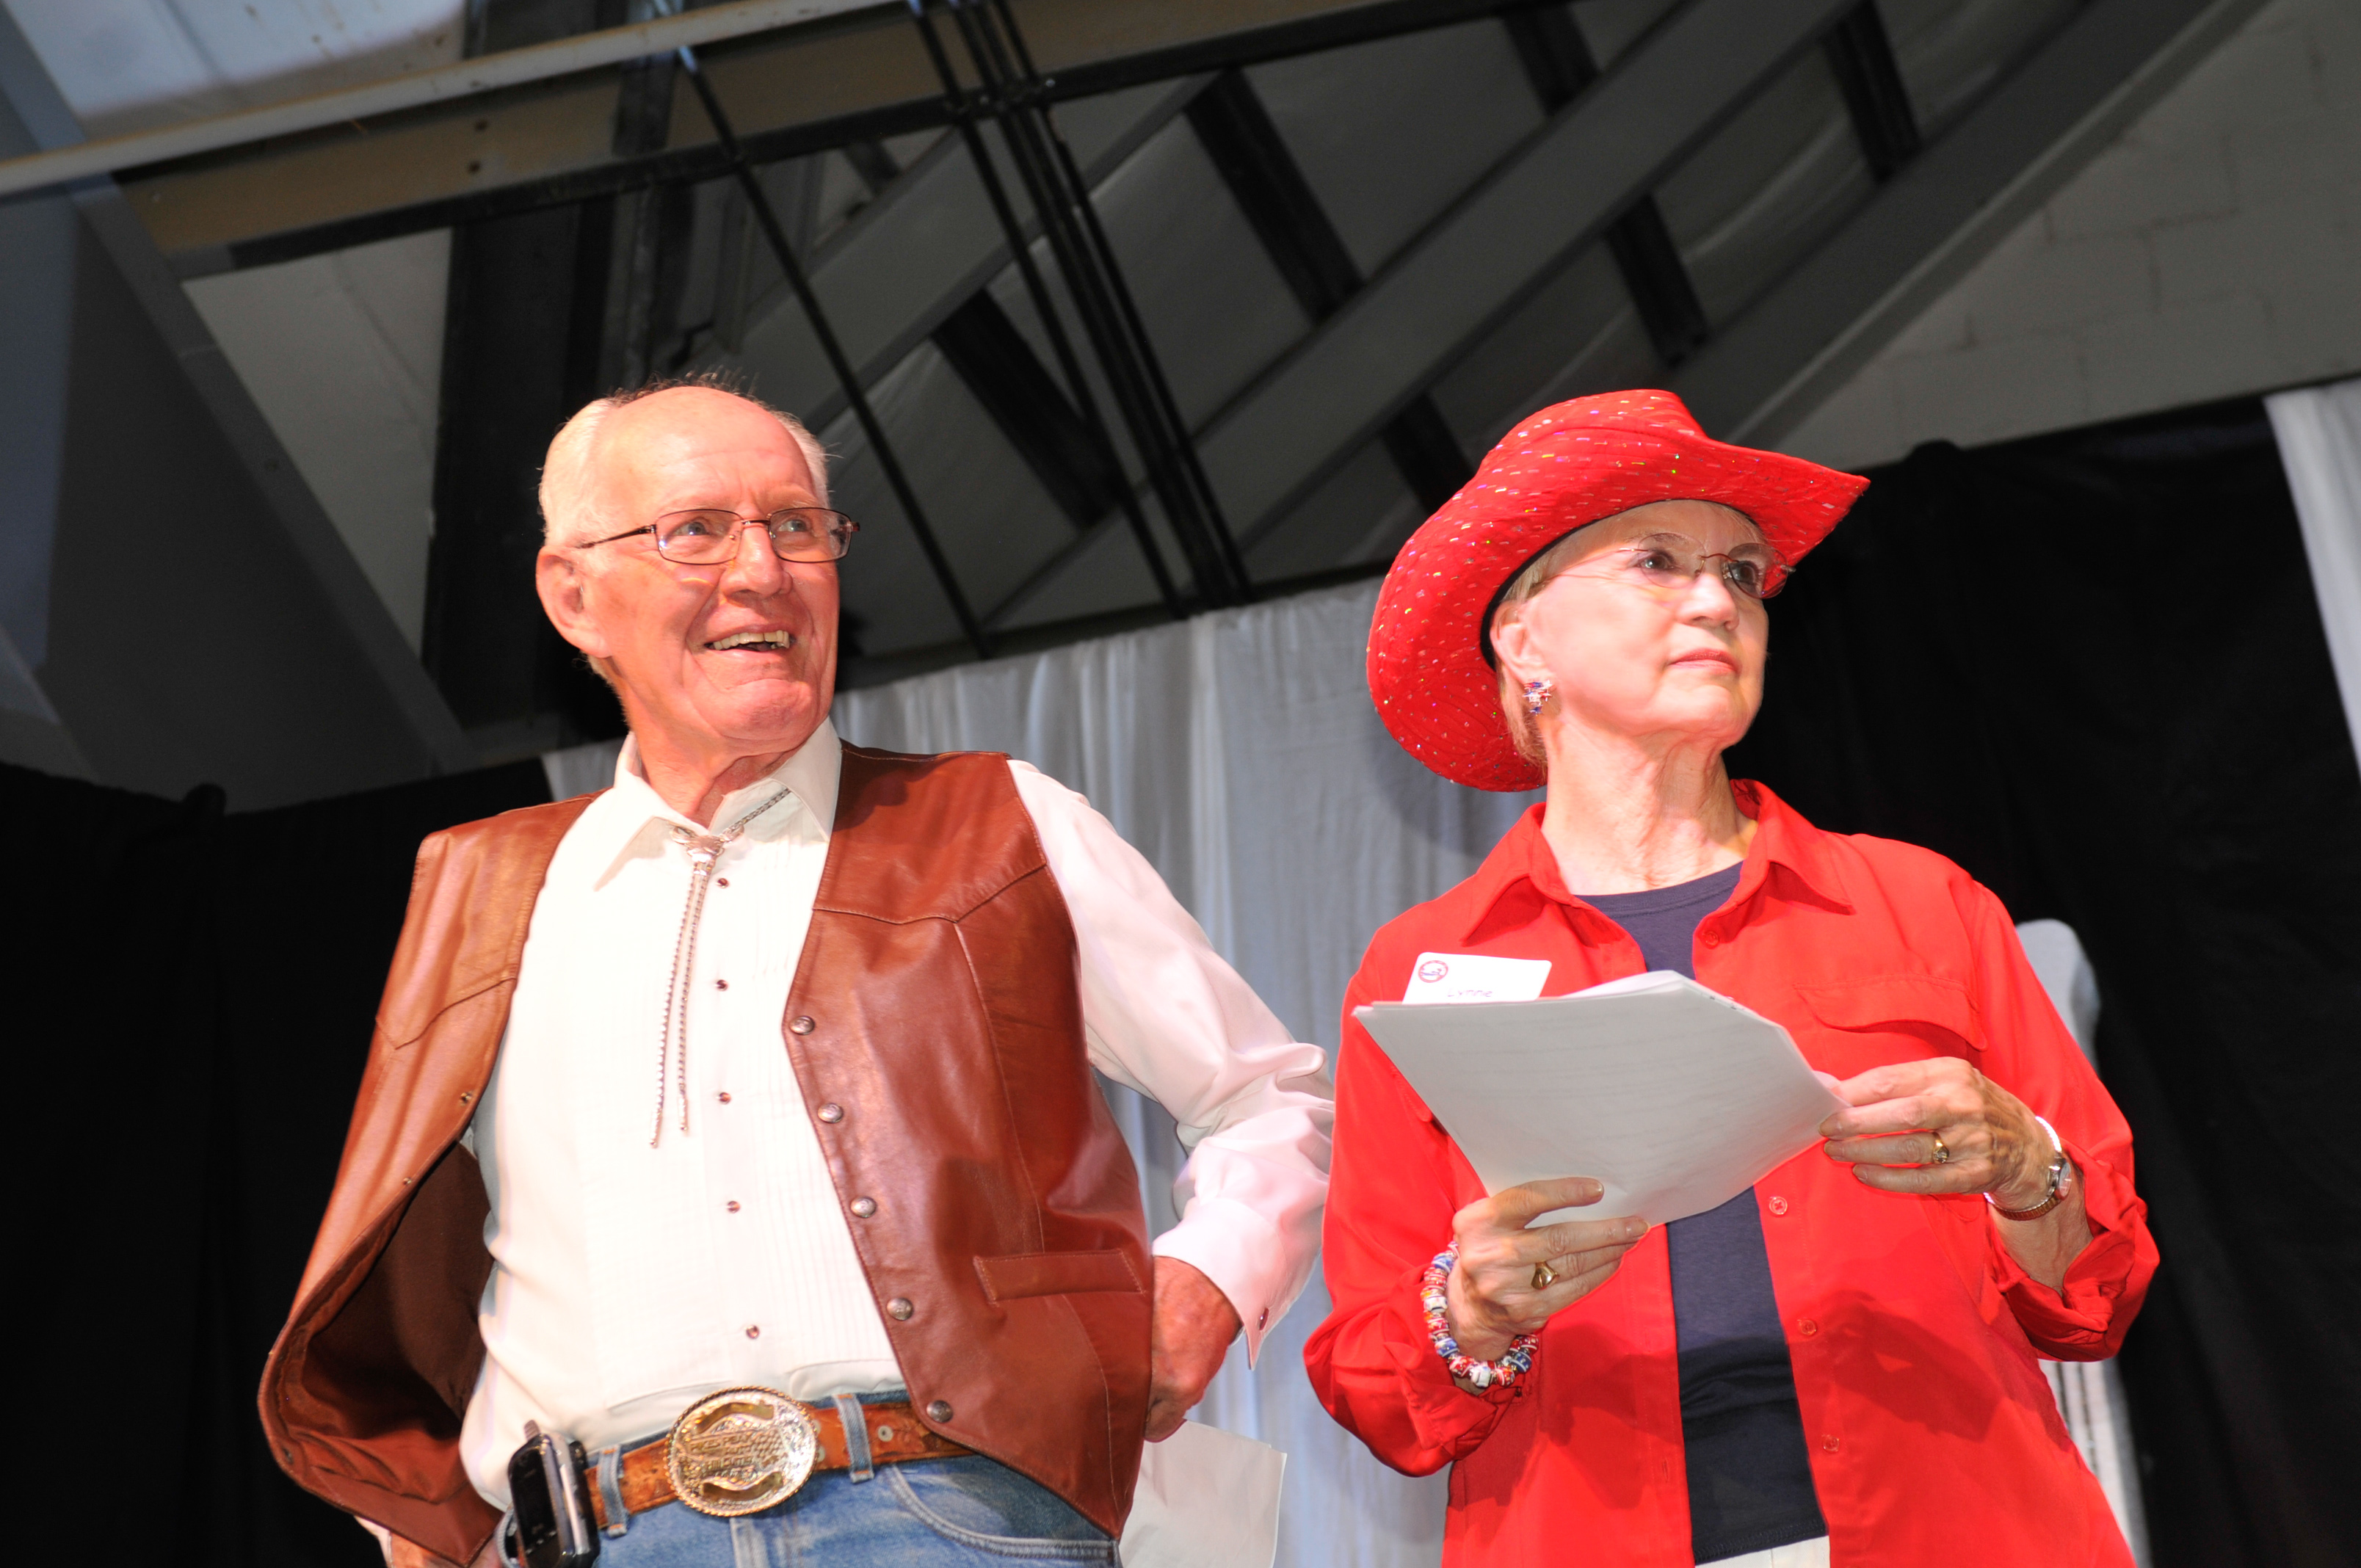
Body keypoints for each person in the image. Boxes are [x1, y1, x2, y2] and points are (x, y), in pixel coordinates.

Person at [260, 378, 1331, 1568]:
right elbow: (411, 1260)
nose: (762, 571)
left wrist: (1206, 1283)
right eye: (696, 530)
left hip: (952, 1521)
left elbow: (1268, 1097)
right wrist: (408, 1521)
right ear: (574, 597)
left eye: (797, 527)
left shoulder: (1001, 826)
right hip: (590, 1539)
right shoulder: (483, 885)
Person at [1305, 391, 2156, 1567]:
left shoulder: (1921, 902)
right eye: (1658, 561)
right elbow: (1378, 1389)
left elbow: (2098, 1296)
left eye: (1743, 574)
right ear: (1524, 638)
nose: (1718, 601)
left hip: (1955, 1526)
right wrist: (1471, 1309)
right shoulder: (1419, 968)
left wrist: (2031, 1169)